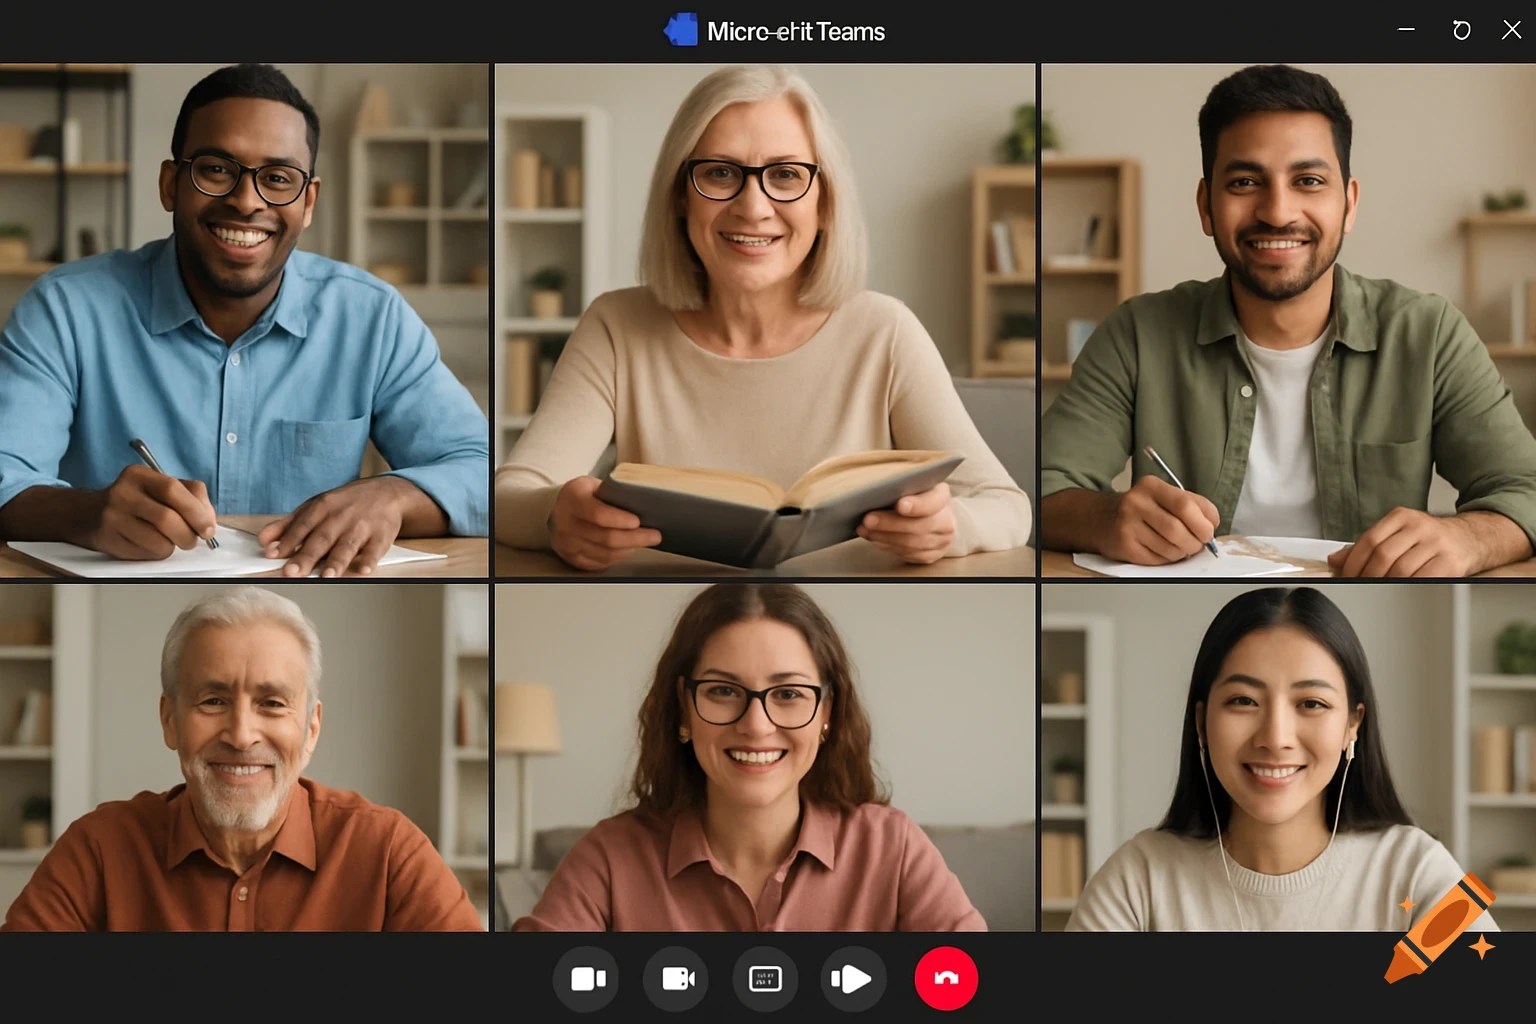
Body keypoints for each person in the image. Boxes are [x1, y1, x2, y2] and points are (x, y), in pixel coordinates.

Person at [494, 65, 1030, 570]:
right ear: (680, 196)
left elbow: (1006, 506)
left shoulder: (885, 331)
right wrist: (555, 516)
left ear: (825, 204)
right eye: (721, 172)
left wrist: (949, 526)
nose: (753, 207)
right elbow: (510, 494)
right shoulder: (617, 325)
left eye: (786, 174)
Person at [1039, 64, 1536, 578]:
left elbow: (1527, 489)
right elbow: (1039, 488)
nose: (1277, 211)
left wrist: (1468, 538)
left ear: (1348, 204)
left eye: (1309, 181)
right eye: (1246, 181)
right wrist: (1107, 517)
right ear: (1206, 206)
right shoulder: (1138, 333)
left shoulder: (1429, 334)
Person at [0, 64, 488, 578]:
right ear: (171, 185)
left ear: (309, 202)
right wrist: (88, 513)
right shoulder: (66, 308)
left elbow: (481, 474)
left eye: (278, 179)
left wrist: (393, 495)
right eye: (215, 169)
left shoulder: (372, 318)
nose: (246, 200)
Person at [1, 587, 483, 931]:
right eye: (213, 701)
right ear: (170, 720)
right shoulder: (100, 849)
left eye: (272, 703)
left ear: (310, 728)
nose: (241, 734)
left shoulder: (388, 851)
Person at [513, 582, 985, 930]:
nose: (756, 725)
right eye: (723, 690)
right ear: (684, 708)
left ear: (827, 713)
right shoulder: (611, 856)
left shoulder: (892, 848)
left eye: (788, 694)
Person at [1068, 586, 1497, 932]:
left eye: (1311, 703)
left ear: (1353, 724)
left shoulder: (1418, 872)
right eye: (1243, 700)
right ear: (1201, 721)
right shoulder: (1137, 881)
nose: (1275, 739)